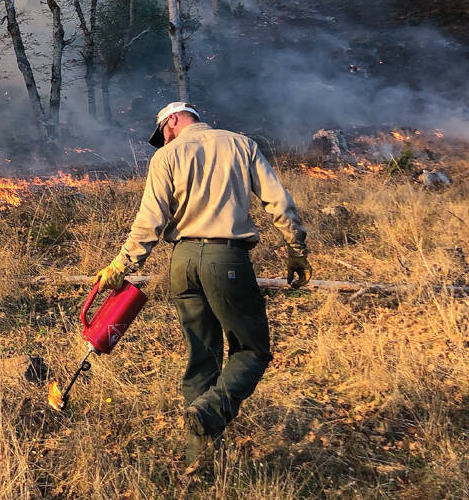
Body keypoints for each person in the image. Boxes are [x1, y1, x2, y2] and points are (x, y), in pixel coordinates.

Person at [94, 102, 310, 476]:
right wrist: (296, 247)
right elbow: (277, 200)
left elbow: (150, 221)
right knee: (252, 350)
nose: (164, 137)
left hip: (183, 262)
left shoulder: (167, 157)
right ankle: (209, 412)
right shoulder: (242, 145)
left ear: (174, 120)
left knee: (202, 356)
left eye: (163, 130)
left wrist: (122, 265)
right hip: (226, 260)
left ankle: (199, 455)